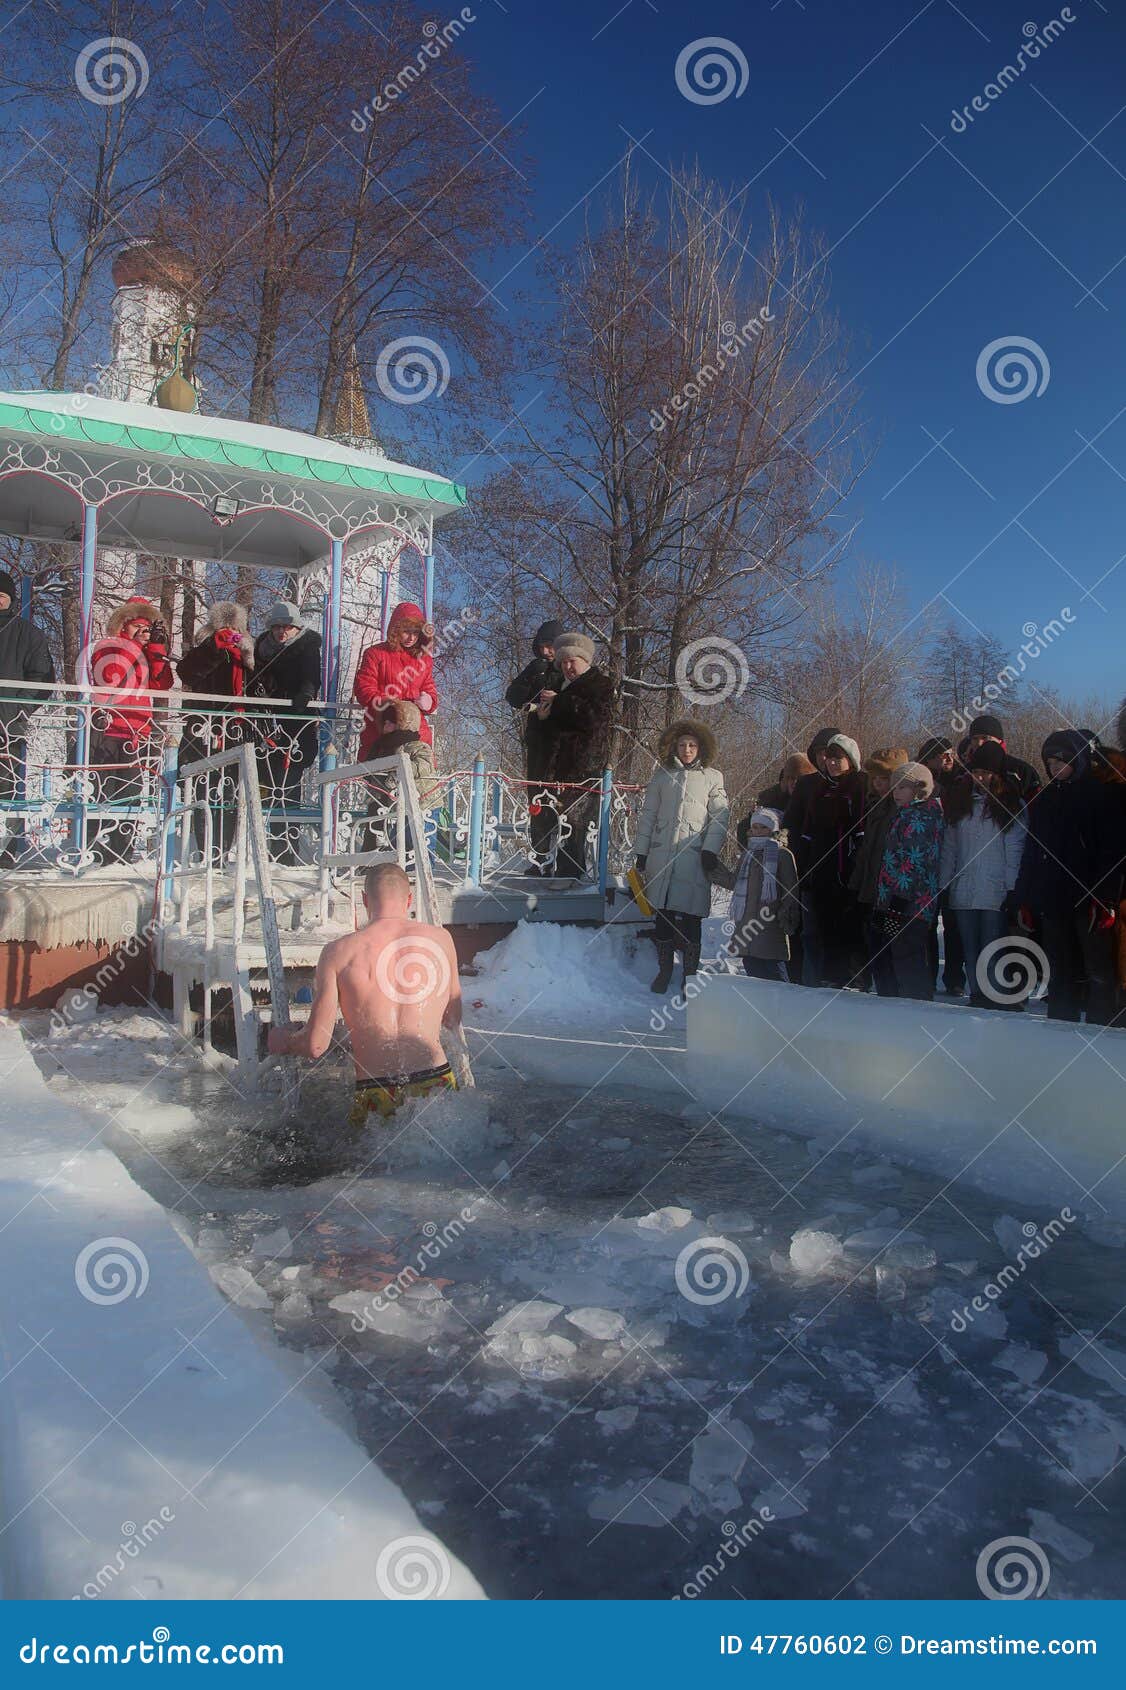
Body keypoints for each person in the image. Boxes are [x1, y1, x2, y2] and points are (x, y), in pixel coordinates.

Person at [268, 861, 461, 1129]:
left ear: (364, 899)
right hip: (437, 1082)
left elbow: (315, 1046)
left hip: (377, 1090)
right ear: (409, 900)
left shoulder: (337, 952)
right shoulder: (442, 940)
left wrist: (286, 1041)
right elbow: (452, 1018)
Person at [1012, 729, 1126, 1025]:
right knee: (1060, 969)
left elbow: (1111, 852)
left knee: (1097, 970)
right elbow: (1032, 851)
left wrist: (1105, 897)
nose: (1054, 768)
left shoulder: (1101, 796)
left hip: (1090, 898)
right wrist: (1025, 897)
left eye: (1061, 761)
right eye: (1049, 763)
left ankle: (1102, 1027)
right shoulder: (1045, 799)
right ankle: (1060, 1028)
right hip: (1053, 898)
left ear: (1078, 761)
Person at [633, 719, 729, 992]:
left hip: (694, 858)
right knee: (662, 916)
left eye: (692, 745)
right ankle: (664, 970)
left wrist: (710, 849)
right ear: (674, 746)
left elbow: (720, 816)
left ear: (701, 748)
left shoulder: (713, 777)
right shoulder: (662, 776)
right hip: (661, 856)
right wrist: (642, 851)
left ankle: (690, 975)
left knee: (691, 918)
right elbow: (648, 815)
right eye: (682, 744)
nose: (687, 750)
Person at [938, 742, 1027, 1007]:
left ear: (997, 774)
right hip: (963, 887)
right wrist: (944, 884)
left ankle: (996, 994)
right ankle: (977, 994)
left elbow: (1014, 849)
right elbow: (950, 848)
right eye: (976, 772)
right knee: (970, 946)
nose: (980, 778)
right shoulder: (961, 802)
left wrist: (1011, 888)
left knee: (992, 944)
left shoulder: (1011, 805)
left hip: (994, 889)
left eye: (986, 773)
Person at [87, 595, 174, 865]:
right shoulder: (110, 645)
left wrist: (156, 649)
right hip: (108, 728)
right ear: (124, 625)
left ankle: (121, 850)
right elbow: (111, 674)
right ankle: (93, 848)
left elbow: (162, 684)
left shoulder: (147, 654)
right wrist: (136, 646)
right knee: (102, 790)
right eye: (138, 626)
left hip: (137, 731)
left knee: (131, 792)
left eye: (147, 628)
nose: (143, 632)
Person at [785, 732, 867, 988]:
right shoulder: (818, 788)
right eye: (828, 758)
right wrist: (804, 866)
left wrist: (855, 866)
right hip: (819, 869)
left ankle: (852, 979)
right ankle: (827, 978)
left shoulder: (859, 785)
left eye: (837, 759)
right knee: (821, 927)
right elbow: (806, 830)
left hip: (847, 869)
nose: (831, 763)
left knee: (849, 928)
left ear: (850, 760)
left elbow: (861, 830)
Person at [177, 601, 256, 859]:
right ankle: (207, 852)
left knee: (232, 792)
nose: (231, 631)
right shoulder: (205, 645)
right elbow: (187, 673)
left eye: (235, 627)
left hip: (237, 730)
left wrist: (249, 659)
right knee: (204, 789)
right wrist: (215, 647)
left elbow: (264, 685)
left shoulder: (247, 649)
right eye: (225, 627)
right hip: (205, 730)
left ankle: (224, 851)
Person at [248, 600, 322, 864]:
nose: (281, 631)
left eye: (287, 627)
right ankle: (266, 846)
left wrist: (306, 695)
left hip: (295, 724)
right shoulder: (261, 648)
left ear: (296, 628)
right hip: (266, 723)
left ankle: (287, 850)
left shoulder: (306, 647)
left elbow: (312, 678)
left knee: (288, 785)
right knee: (267, 784)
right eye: (277, 626)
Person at [537, 632, 614, 880]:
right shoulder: (562, 687)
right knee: (557, 819)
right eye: (563, 662)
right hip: (559, 766)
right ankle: (555, 867)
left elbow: (593, 719)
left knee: (574, 821)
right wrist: (543, 717)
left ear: (585, 660)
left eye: (572, 661)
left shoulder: (600, 685)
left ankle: (571, 873)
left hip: (584, 765)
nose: (567, 667)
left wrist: (559, 702)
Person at [872, 762, 946, 1001]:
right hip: (895, 899)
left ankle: (914, 1004)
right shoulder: (905, 814)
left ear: (919, 789)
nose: (896, 792)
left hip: (910, 903)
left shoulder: (920, 817)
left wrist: (897, 901)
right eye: (895, 787)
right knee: (891, 949)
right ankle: (895, 1000)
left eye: (903, 787)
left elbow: (914, 862)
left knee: (907, 953)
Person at [0, 568, 55, 866]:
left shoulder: (27, 633)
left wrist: (17, 710)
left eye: (2, 596)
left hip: (8, 728)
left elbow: (42, 679)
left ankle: (6, 851)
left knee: (7, 789)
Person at [353, 602, 438, 793]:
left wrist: (429, 701)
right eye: (406, 631)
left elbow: (429, 689)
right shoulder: (376, 654)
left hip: (415, 732)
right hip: (382, 727)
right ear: (395, 630)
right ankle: (377, 813)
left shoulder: (424, 659)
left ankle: (423, 813)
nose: (411, 638)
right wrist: (389, 709)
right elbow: (364, 688)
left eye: (416, 633)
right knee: (381, 790)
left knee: (419, 789)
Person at [710, 807, 800, 981]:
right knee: (753, 973)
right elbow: (734, 882)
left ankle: (782, 1000)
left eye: (763, 827)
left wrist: (786, 915)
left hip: (770, 923)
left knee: (775, 975)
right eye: (755, 827)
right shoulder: (747, 855)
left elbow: (791, 890)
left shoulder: (782, 855)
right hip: (746, 924)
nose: (758, 831)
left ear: (773, 829)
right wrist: (713, 867)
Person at [847, 748, 909, 995]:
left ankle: (896, 996)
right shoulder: (875, 806)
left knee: (891, 946)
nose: (878, 784)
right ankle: (881, 992)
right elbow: (866, 851)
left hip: (894, 894)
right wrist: (856, 885)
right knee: (874, 944)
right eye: (875, 778)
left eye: (884, 778)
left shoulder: (903, 809)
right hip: (871, 890)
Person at [505, 618, 563, 873]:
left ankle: (563, 860)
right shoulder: (535, 667)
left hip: (563, 743)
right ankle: (539, 859)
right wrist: (533, 690)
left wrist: (559, 699)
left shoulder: (568, 666)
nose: (546, 652)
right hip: (538, 741)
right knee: (537, 800)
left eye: (550, 646)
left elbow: (582, 698)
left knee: (561, 801)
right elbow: (513, 696)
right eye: (542, 647)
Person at [917, 735, 967, 998]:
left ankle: (955, 978)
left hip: (953, 860)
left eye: (950, 754)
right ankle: (926, 976)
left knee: (953, 923)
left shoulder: (962, 780)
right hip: (926, 862)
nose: (947, 759)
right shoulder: (922, 782)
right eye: (940, 755)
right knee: (926, 924)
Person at [738, 752, 815, 848]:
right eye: (791, 778)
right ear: (785, 780)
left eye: (799, 779)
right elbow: (743, 830)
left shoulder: (815, 802)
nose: (794, 782)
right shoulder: (770, 800)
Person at [965, 714, 1041, 804]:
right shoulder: (965, 771)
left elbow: (1036, 804)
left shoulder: (1021, 770)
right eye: (975, 738)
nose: (979, 743)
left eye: (985, 738)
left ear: (999, 740)